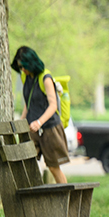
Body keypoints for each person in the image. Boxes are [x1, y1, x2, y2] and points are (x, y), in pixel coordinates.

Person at [10, 46, 70, 184]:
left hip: (49, 128)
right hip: (32, 128)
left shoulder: (45, 78)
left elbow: (53, 105)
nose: (22, 70)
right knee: (28, 164)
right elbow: (29, 102)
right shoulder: (26, 77)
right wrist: (22, 120)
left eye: (24, 66)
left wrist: (39, 122)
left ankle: (66, 201)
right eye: (20, 67)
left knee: (53, 168)